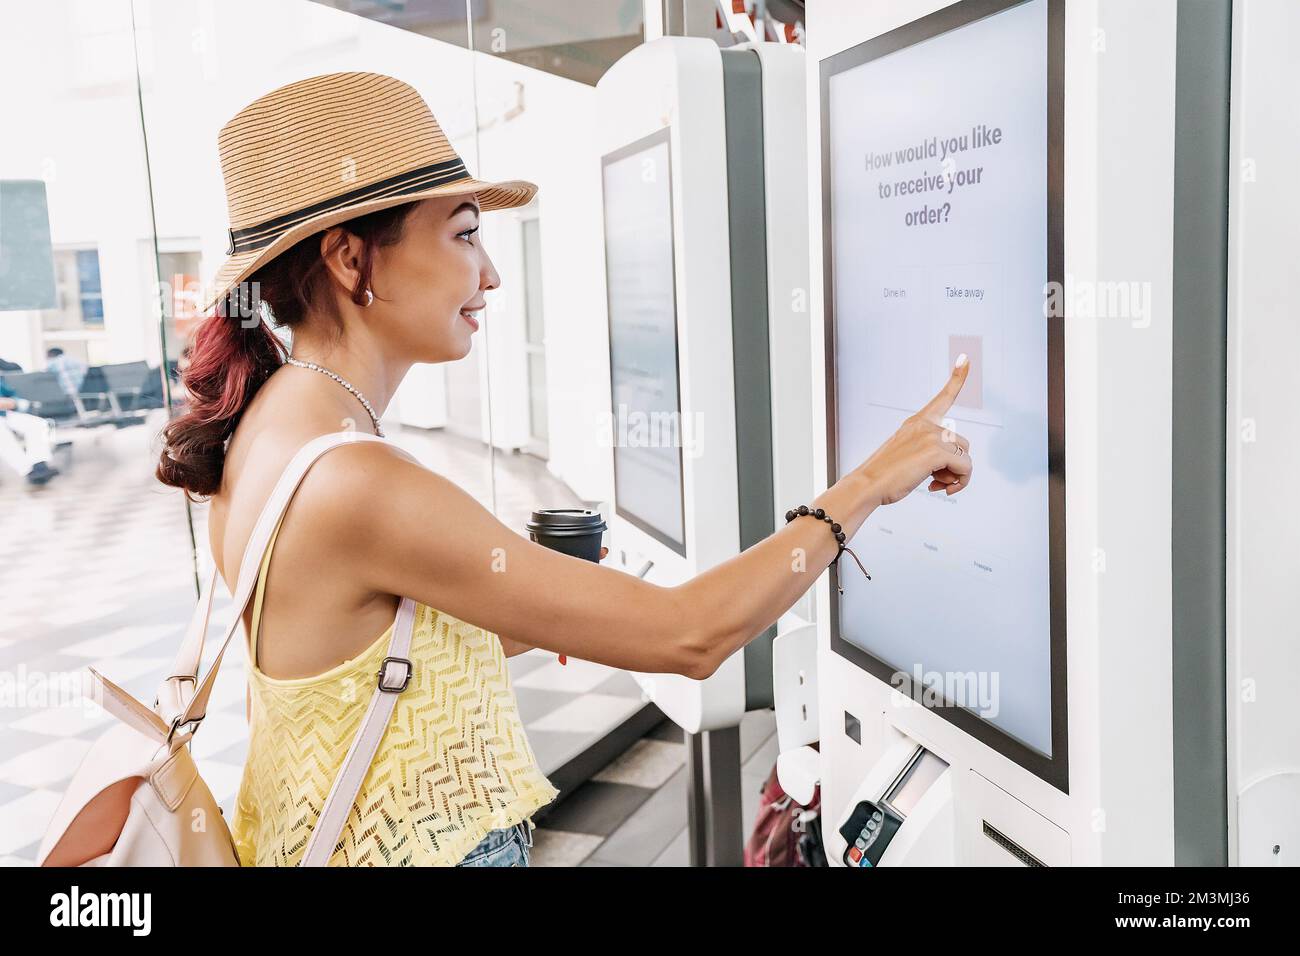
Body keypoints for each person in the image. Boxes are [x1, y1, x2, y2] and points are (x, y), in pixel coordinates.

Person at [156, 72, 973, 868]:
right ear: (348, 259)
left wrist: (544, 608)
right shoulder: (358, 481)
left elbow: (348, 653)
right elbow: (690, 636)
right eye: (465, 233)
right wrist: (868, 483)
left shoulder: (266, 427)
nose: (492, 274)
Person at [0, 376, 60, 485]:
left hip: (5, 413)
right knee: (2, 435)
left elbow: (12, 395)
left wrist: (14, 402)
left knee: (42, 424)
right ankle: (28, 471)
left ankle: (39, 465)